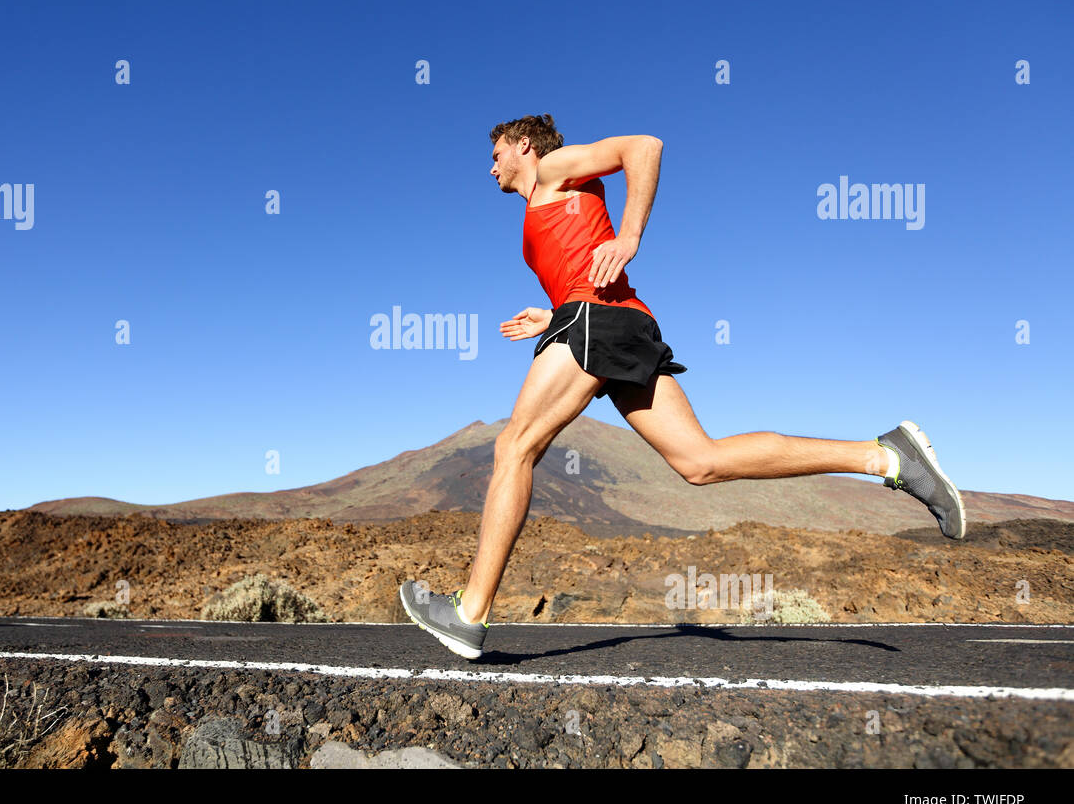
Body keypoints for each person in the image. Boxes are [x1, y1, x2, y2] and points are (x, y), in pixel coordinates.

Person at [400, 113, 966, 660]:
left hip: (595, 322)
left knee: (514, 446)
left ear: (524, 144)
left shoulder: (554, 168)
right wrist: (551, 318)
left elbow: (643, 146)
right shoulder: (545, 203)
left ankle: (469, 613)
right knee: (701, 462)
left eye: (495, 153)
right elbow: (584, 268)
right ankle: (887, 457)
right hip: (613, 325)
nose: (490, 166)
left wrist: (628, 237)